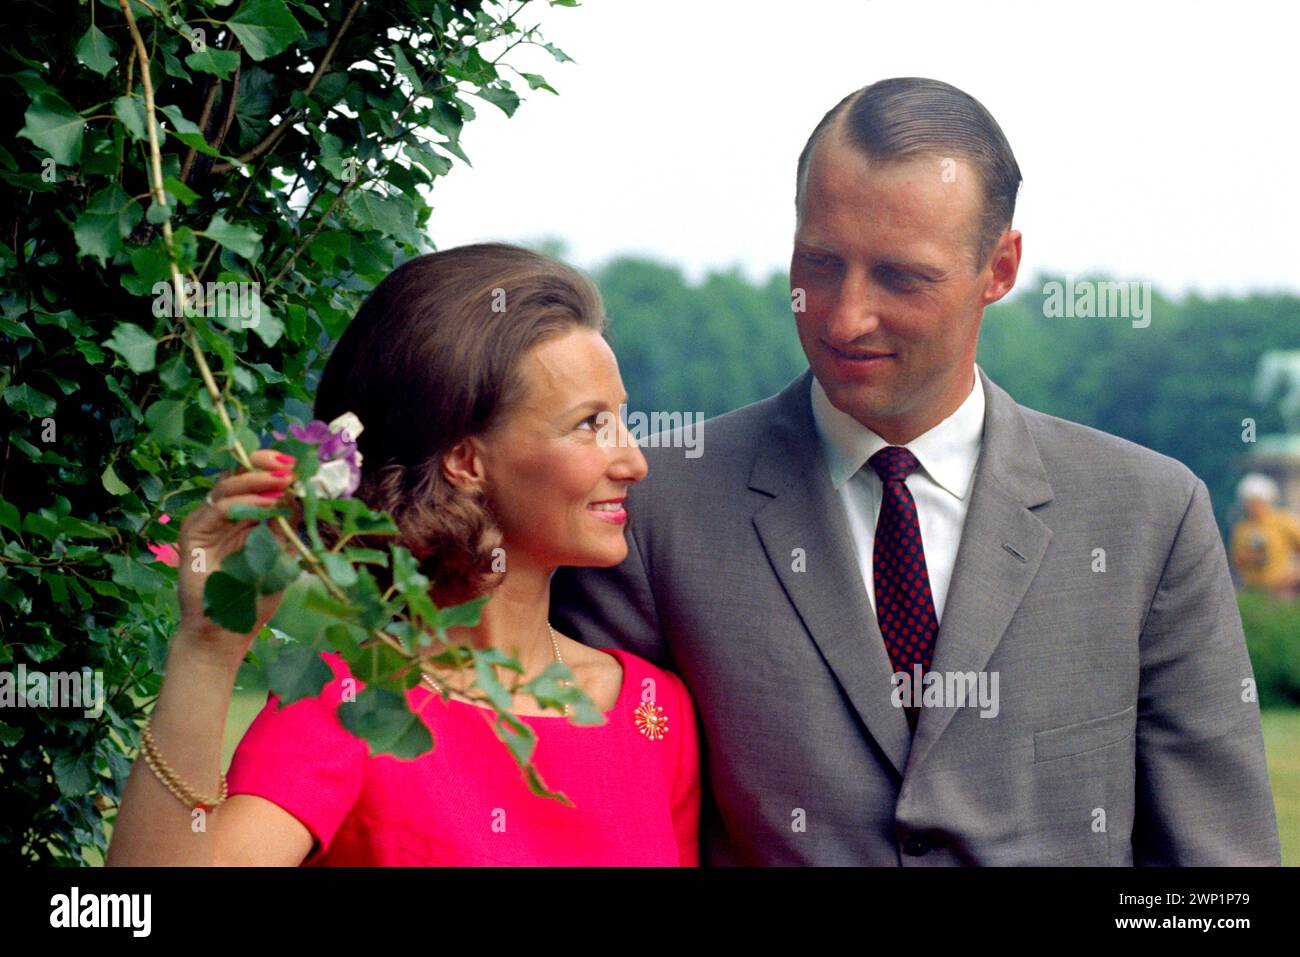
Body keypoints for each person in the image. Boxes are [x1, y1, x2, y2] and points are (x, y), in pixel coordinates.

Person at [551, 77, 1282, 865]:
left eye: (902, 276)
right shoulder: (653, 506)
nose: (844, 316)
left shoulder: (1149, 514)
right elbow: (605, 830)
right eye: (820, 262)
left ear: (1000, 268)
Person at [107, 244, 700, 867]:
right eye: (589, 425)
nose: (634, 461)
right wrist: (208, 647)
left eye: (622, 421)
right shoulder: (354, 706)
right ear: (466, 461)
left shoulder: (654, 714)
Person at [1230, 472, 1300, 600]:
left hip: (1282, 591)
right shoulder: (1242, 528)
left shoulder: (1284, 521)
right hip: (1253, 591)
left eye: (1257, 502)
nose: (1253, 506)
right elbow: (1237, 559)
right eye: (1249, 502)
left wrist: (1295, 574)